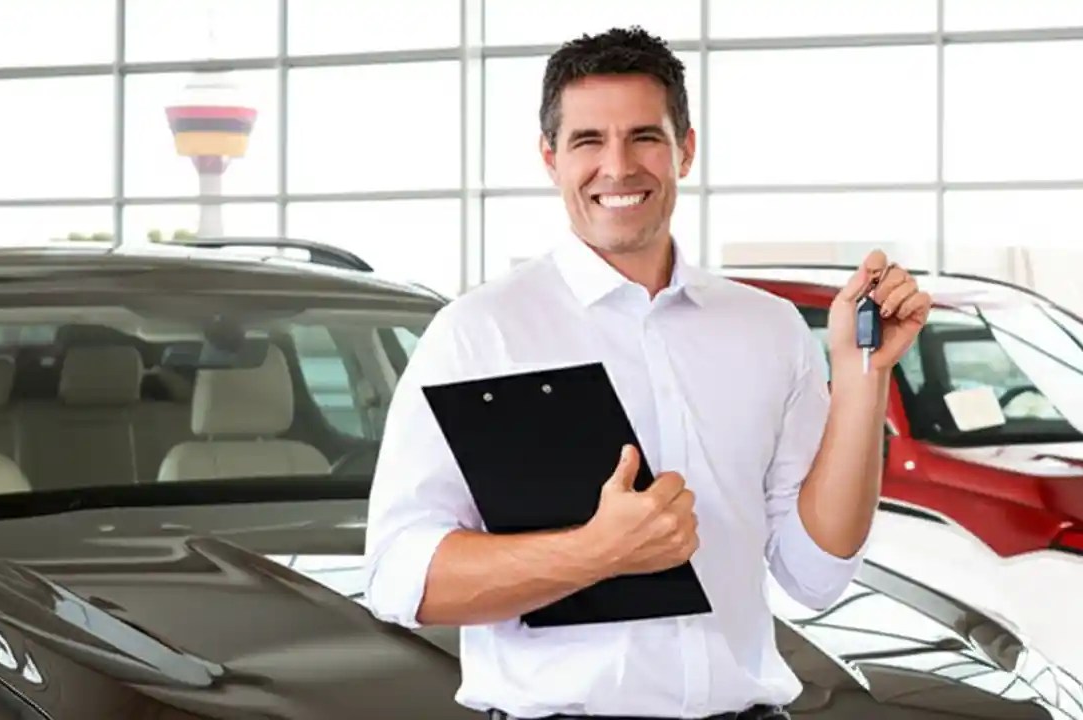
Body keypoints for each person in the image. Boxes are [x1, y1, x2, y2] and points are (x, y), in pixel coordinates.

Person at [363, 26, 932, 720]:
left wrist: (862, 373)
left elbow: (815, 575)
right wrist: (593, 552)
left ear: (685, 149)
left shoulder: (767, 327)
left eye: (644, 137)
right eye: (587, 141)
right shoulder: (480, 332)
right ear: (550, 158)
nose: (618, 166)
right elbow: (399, 580)